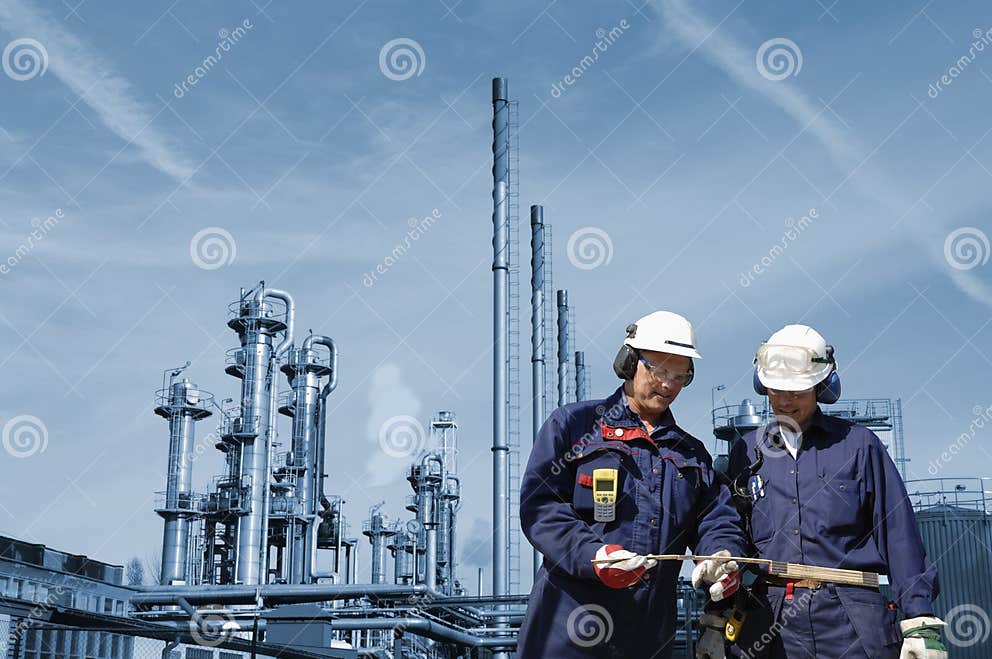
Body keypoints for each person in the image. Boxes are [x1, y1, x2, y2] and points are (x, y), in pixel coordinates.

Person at [516, 311, 746, 658]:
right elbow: (541, 507)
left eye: (680, 375)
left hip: (646, 638)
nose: (668, 384)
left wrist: (721, 555)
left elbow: (716, 519)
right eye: (659, 370)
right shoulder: (574, 427)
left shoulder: (691, 455)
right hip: (565, 633)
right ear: (628, 362)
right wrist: (592, 555)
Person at [724, 324, 946, 658]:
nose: (784, 401)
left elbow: (898, 532)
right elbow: (728, 534)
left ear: (821, 386)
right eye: (775, 390)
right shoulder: (746, 452)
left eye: (796, 391)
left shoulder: (858, 446)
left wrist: (919, 618)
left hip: (852, 620)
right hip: (770, 621)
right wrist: (716, 616)